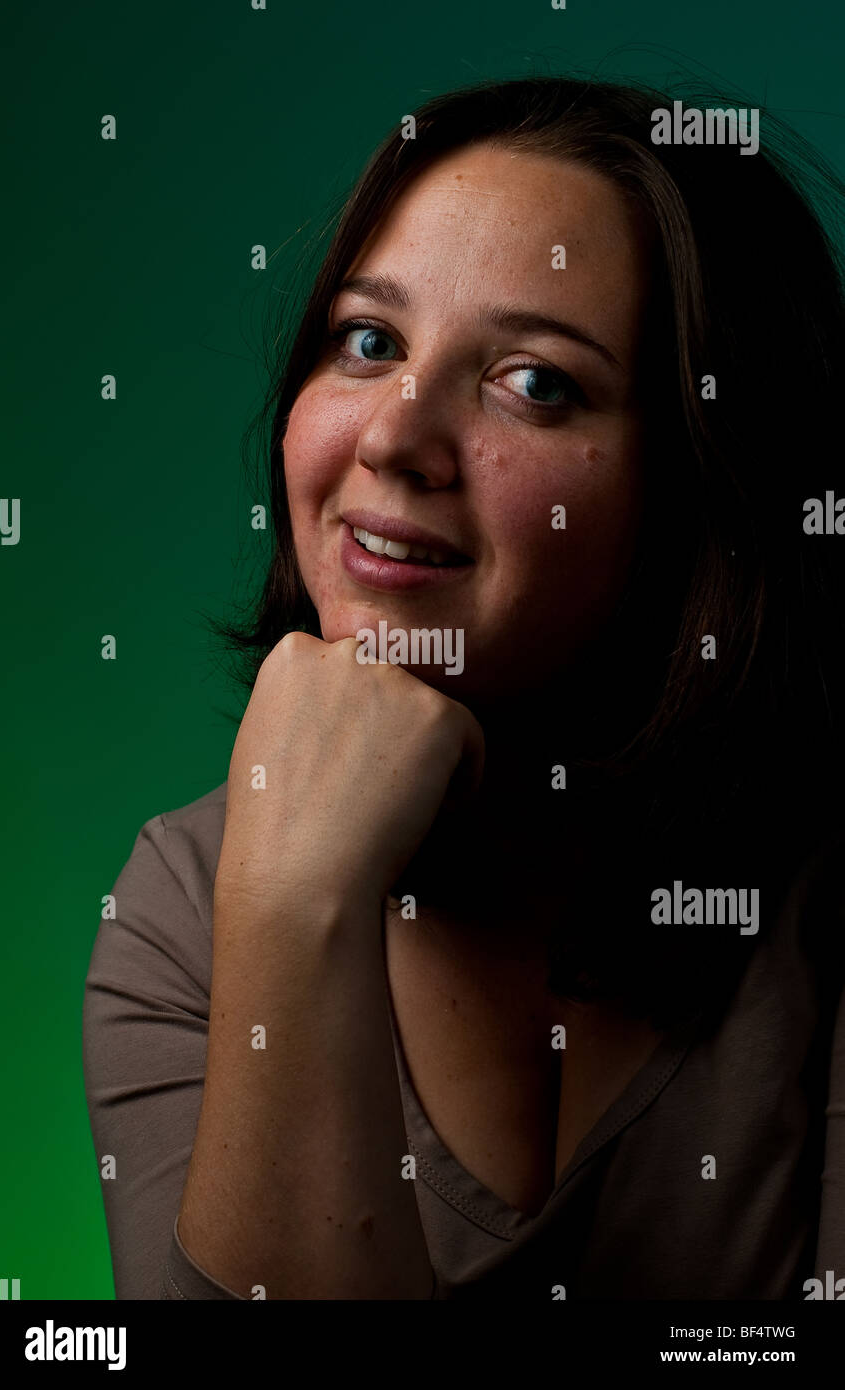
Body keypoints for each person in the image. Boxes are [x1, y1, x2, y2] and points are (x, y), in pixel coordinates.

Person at [82, 75, 845, 1301]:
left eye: (535, 381)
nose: (394, 437)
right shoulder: (180, 912)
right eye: (368, 341)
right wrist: (290, 903)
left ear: (706, 490)